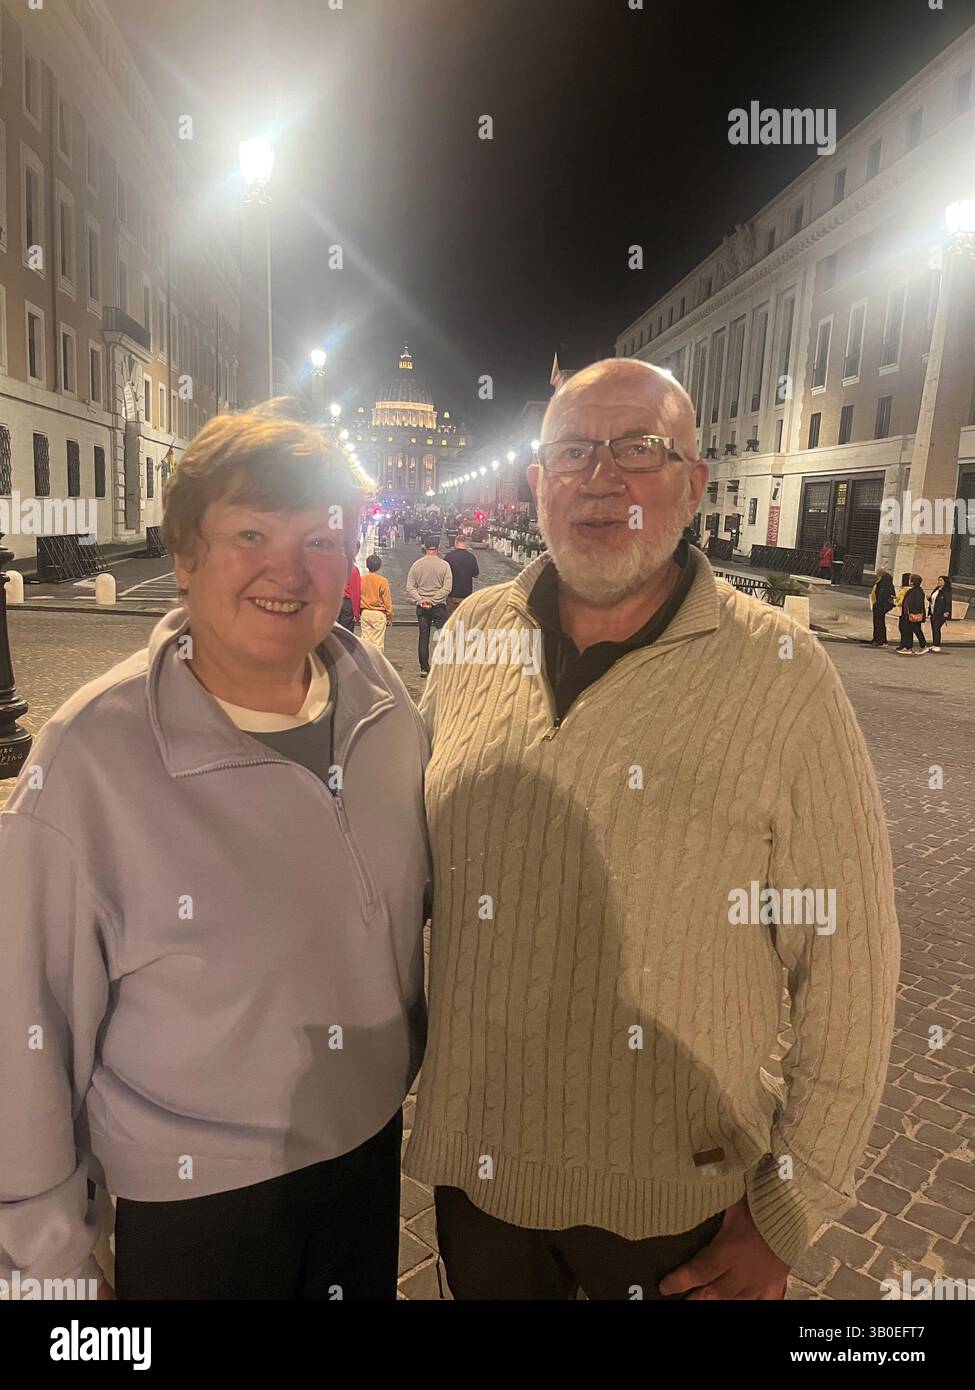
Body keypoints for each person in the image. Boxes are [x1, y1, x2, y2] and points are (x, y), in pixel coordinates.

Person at [403, 358, 898, 1301]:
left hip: (681, 1207)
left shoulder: (782, 671)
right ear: (538, 482)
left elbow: (850, 963)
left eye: (639, 449)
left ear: (693, 484)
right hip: (482, 1185)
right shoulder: (470, 636)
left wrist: (789, 1213)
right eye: (572, 451)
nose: (601, 477)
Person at [0, 406, 430, 1300]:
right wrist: (49, 1265)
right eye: (250, 533)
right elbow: (25, 1025)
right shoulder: (90, 757)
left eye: (319, 538)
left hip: (367, 1158)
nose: (289, 568)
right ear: (183, 557)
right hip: (196, 1203)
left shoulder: (382, 702)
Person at [405, 537, 452, 677]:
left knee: (423, 637)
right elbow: (447, 587)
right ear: (438, 547)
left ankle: (424, 668)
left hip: (422, 606)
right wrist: (434, 600)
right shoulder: (444, 565)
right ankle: (442, 666)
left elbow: (410, 586)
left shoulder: (417, 565)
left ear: (425, 547)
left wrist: (420, 599)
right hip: (438, 606)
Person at [359, 553, 393, 651]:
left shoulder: (362, 580)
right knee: (378, 643)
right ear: (379, 566)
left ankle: (366, 663)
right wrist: (389, 615)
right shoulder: (382, 581)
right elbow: (387, 600)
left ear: (367, 565)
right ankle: (376, 664)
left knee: (365, 641)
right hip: (378, 614)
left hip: (365, 612)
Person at [443, 533, 480, 616]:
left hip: (452, 592)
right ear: (466, 544)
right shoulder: (471, 557)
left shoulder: (449, 556)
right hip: (466, 592)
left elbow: (443, 573)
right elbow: (476, 574)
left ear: (455, 543)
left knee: (452, 617)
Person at [899, 574, 928, 655]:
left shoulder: (915, 591)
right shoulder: (917, 590)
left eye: (910, 580)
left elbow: (914, 603)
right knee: (915, 630)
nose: (909, 581)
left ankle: (919, 646)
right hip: (913, 614)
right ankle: (910, 647)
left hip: (913, 615)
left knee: (914, 630)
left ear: (913, 581)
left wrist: (911, 612)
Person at [866, 567, 895, 646]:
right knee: (877, 622)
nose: (876, 573)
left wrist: (879, 604)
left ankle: (880, 640)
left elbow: (884, 595)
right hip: (877, 604)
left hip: (880, 606)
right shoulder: (881, 580)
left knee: (879, 623)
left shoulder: (885, 582)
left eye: (877, 572)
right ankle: (877, 638)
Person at [929, 575, 952, 652]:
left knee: (936, 628)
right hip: (933, 612)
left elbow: (948, 603)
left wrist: (947, 612)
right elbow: (934, 599)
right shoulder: (936, 589)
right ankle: (934, 644)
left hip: (941, 614)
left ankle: (937, 645)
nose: (939, 582)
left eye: (941, 580)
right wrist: (929, 598)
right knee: (933, 628)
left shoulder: (947, 592)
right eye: (938, 580)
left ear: (945, 582)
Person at [339, 561, 361, 632]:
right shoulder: (354, 570)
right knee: (346, 632)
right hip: (347, 603)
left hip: (334, 601)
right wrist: (356, 613)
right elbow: (355, 592)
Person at [893, 572, 912, 652]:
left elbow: (901, 601)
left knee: (905, 628)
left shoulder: (906, 589)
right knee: (902, 628)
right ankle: (903, 644)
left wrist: (894, 601)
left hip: (904, 611)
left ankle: (906, 644)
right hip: (902, 611)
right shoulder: (904, 589)